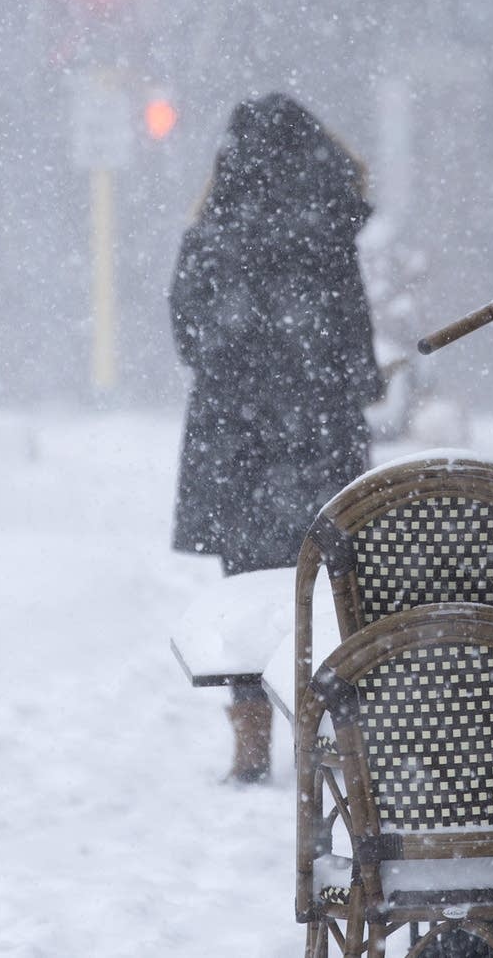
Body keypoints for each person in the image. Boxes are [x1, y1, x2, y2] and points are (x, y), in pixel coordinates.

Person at [170, 93, 383, 784]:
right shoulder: (328, 231)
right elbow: (353, 341)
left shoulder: (215, 230)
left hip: (237, 444)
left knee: (247, 586)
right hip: (319, 438)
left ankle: (251, 740)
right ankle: (324, 735)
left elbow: (190, 333)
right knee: (326, 588)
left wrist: (243, 364)